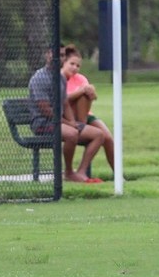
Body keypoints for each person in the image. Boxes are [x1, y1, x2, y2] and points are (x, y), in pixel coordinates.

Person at [28, 46, 106, 183]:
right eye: (56, 54)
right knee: (72, 134)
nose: (60, 57)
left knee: (99, 135)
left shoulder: (61, 78)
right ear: (48, 55)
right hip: (43, 123)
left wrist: (73, 122)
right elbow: (45, 110)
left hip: (62, 122)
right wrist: (69, 123)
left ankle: (81, 172)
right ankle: (69, 172)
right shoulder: (39, 78)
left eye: (63, 55)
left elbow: (65, 104)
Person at [61, 46, 115, 172]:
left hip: (85, 114)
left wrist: (91, 91)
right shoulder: (60, 79)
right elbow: (63, 100)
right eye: (72, 64)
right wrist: (81, 91)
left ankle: (118, 175)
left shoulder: (81, 78)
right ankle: (78, 171)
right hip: (69, 115)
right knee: (83, 94)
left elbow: (91, 97)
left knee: (107, 137)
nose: (75, 68)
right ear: (64, 62)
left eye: (78, 66)